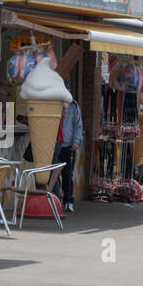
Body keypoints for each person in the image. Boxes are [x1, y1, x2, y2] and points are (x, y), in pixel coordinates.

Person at [53, 79, 83, 213]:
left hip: (68, 146)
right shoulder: (53, 104)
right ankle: (56, 199)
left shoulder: (74, 106)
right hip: (54, 144)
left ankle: (68, 201)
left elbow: (78, 125)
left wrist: (76, 141)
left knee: (67, 175)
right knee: (53, 174)